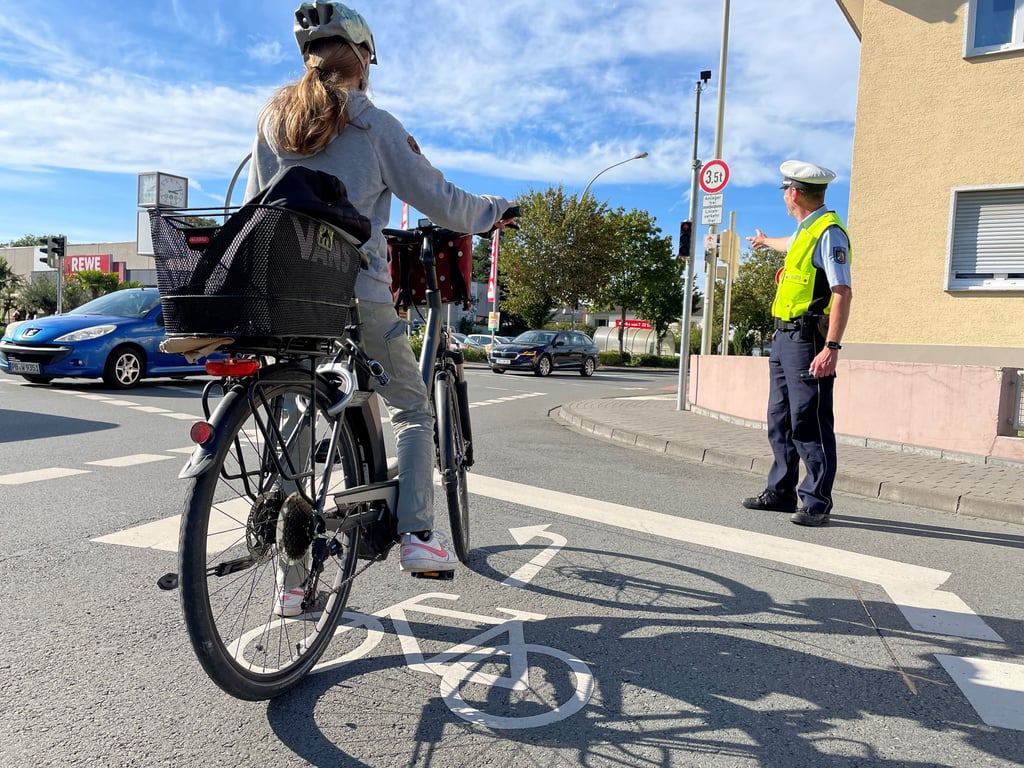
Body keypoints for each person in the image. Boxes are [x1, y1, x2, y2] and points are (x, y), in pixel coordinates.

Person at [244, 1, 513, 613]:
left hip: (286, 294)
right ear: (363, 60)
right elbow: (442, 201)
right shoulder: (375, 125)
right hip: (356, 291)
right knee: (412, 408)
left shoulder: (271, 124)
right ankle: (419, 536)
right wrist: (496, 210)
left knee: (294, 416)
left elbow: (263, 205)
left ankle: (293, 584)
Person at [742, 160, 853, 527]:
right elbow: (786, 244)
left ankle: (816, 500)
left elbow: (842, 292)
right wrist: (763, 241)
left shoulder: (828, 233)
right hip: (784, 338)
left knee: (810, 421)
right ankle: (781, 492)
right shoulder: (804, 232)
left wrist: (832, 347)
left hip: (808, 340)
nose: (785, 198)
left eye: (785, 192)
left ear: (793, 193)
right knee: (779, 419)